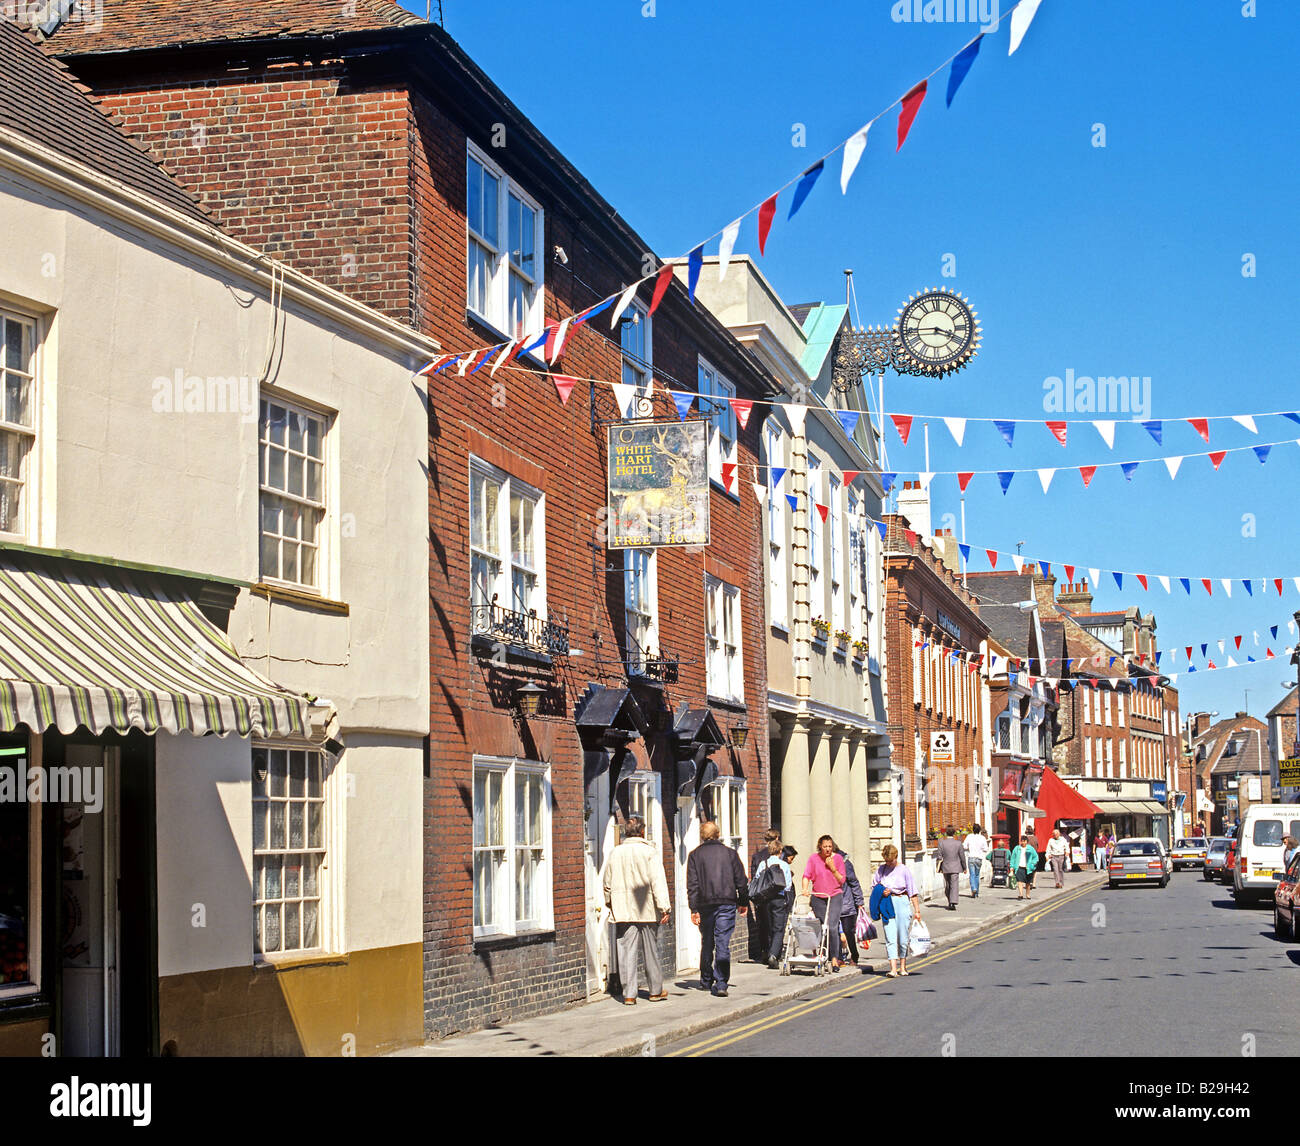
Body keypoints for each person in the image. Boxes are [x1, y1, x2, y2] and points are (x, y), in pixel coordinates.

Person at [603, 815, 671, 1005]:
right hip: (647, 909)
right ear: (642, 831)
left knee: (626, 952)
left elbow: (607, 883)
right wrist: (664, 907)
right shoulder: (650, 852)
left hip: (623, 908)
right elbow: (658, 881)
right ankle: (655, 991)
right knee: (651, 951)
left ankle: (629, 994)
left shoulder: (615, 853)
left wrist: (610, 902)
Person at [686, 820, 749, 998]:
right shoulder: (730, 854)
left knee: (707, 941)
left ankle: (706, 980)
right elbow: (742, 882)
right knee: (722, 942)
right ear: (718, 833)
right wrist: (743, 901)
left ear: (702, 835)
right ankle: (721, 983)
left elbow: (693, 884)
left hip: (705, 903)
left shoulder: (695, 855)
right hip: (727, 903)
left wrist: (693, 908)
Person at [871, 844, 921, 978]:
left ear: (896, 857)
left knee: (903, 937)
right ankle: (893, 969)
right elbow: (874, 886)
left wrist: (917, 910)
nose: (888, 863)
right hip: (887, 903)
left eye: (890, 861)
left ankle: (903, 966)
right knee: (890, 936)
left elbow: (912, 891)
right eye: (886, 861)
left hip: (902, 902)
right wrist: (882, 890)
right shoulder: (881, 869)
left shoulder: (903, 870)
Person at [802, 835, 848, 970]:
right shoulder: (813, 859)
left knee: (833, 927)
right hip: (818, 896)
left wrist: (832, 868)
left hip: (834, 895)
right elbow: (806, 875)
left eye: (830, 846)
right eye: (825, 846)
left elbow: (842, 880)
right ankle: (822, 954)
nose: (828, 849)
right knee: (822, 926)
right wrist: (805, 889)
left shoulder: (838, 859)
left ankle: (834, 958)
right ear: (820, 846)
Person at [754, 841, 796, 968]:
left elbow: (757, 879)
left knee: (768, 926)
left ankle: (767, 952)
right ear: (780, 851)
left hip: (766, 899)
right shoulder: (783, 865)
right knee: (779, 928)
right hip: (779, 898)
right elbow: (788, 885)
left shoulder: (763, 863)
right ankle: (773, 955)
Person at [748, 827, 781, 961]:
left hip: (761, 896)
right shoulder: (778, 854)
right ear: (777, 838)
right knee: (776, 925)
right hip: (777, 896)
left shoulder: (757, 856)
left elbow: (754, 878)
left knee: (762, 924)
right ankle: (774, 952)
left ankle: (765, 950)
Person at [835, 845, 866, 964]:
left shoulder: (845, 864)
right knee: (834, 931)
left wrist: (859, 902)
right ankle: (838, 957)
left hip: (847, 903)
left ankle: (854, 954)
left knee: (848, 932)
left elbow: (854, 883)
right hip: (833, 902)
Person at [934, 825, 967, 910]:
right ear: (954, 833)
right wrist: (964, 867)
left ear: (946, 833)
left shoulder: (941, 843)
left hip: (945, 866)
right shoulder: (958, 843)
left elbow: (939, 856)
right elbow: (962, 856)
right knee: (954, 885)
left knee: (948, 884)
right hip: (956, 866)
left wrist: (938, 866)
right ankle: (952, 902)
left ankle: (950, 901)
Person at [964, 824, 990, 898]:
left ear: (973, 829)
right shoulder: (982, 838)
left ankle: (973, 888)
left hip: (971, 857)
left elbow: (965, 846)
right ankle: (976, 893)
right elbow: (985, 849)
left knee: (972, 874)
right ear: (979, 830)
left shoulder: (969, 836)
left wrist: (970, 848)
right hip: (979, 858)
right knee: (977, 875)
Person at [1011, 833, 1039, 900]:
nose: (1023, 842)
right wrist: (1012, 867)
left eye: (1024, 841)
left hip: (1028, 868)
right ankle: (1020, 895)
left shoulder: (1030, 849)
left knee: (1028, 882)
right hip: (1019, 867)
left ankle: (1028, 894)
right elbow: (1013, 858)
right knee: (1019, 881)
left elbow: (1036, 857)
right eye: (1022, 841)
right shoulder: (1017, 849)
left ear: (1027, 841)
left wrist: (1032, 864)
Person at [1024, 826, 1041, 893]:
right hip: (1035, 855)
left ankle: (1028, 883)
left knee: (1027, 869)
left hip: (1027, 856)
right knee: (1034, 870)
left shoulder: (1026, 838)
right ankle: (1033, 883)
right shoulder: (1035, 838)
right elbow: (1037, 846)